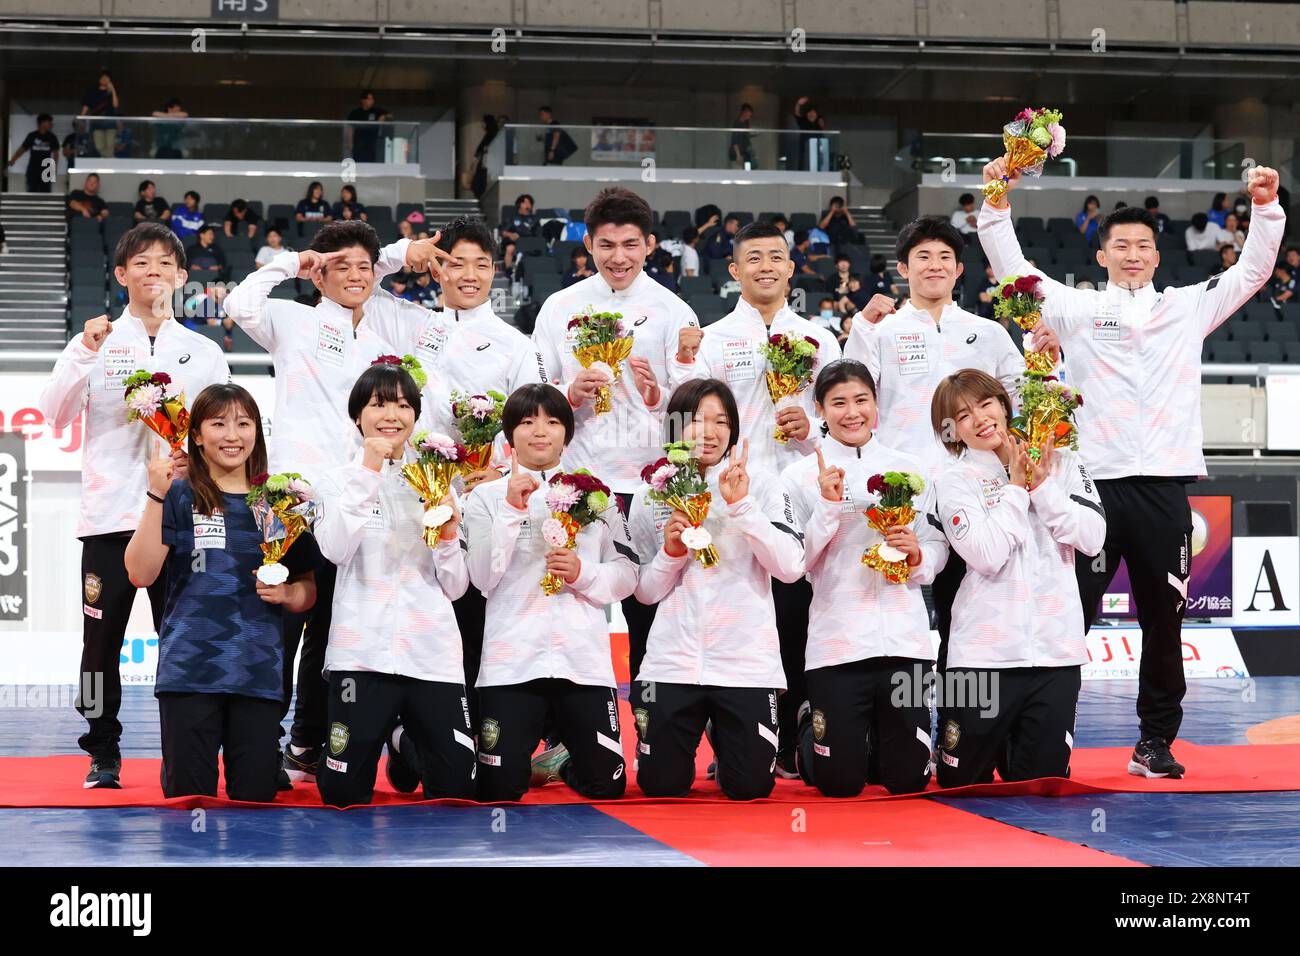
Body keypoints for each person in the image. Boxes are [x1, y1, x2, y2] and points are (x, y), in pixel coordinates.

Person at [978, 155, 1285, 778]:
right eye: (1121, 245)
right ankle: (1048, 737)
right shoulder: (1076, 310)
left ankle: (1154, 744)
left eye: (1143, 245)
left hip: (1164, 488)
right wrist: (995, 200)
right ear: (1102, 256)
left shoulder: (1188, 307)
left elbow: (1254, 270)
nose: (1133, 254)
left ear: (1157, 255)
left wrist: (1265, 207)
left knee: (1163, 622)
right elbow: (1015, 272)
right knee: (1069, 616)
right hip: (1088, 487)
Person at [222, 219, 447, 783]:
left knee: (332, 627)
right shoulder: (292, 320)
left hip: (359, 499)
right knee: (277, 623)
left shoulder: (389, 330)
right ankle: (260, 746)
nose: (353, 276)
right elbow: (237, 301)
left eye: (363, 267)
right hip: (292, 501)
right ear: (317, 272)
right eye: (338, 265)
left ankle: (311, 742)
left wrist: (390, 257)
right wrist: (292, 262)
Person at [38, 223, 231, 788]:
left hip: (182, 519)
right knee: (101, 644)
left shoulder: (203, 351)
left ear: (181, 276)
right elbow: (52, 413)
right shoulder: (96, 343)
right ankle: (102, 751)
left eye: (165, 263)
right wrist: (82, 350)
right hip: (109, 521)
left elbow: (224, 435)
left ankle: (186, 752)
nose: (154, 272)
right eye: (141, 263)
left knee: (187, 640)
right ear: (122, 275)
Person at [667, 219, 840, 774]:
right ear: (735, 271)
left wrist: (807, 431)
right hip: (727, 500)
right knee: (732, 614)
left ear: (792, 268)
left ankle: (785, 740)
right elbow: (690, 420)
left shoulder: (820, 339)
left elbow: (840, 423)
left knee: (795, 618)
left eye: (776, 257)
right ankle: (730, 739)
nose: (766, 267)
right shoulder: (714, 339)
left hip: (796, 494)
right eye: (754, 259)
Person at [532, 185, 700, 691]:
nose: (618, 257)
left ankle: (652, 728)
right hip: (577, 481)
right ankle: (567, 732)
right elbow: (535, 396)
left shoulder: (675, 311)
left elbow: (693, 409)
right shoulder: (559, 308)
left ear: (649, 245)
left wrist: (657, 396)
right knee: (569, 604)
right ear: (588, 245)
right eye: (606, 245)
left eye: (630, 245)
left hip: (651, 484)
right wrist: (569, 392)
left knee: (653, 614)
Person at [843, 214, 1023, 672]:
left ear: (960, 269)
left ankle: (957, 734)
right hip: (905, 494)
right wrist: (861, 330)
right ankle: (899, 730)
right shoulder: (882, 332)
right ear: (903, 268)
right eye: (923, 256)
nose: (935, 265)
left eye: (946, 257)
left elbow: (1019, 399)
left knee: (967, 613)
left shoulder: (989, 333)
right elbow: (851, 396)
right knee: (893, 608)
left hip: (975, 491)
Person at [125, 384, 319, 801]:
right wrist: (155, 495)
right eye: (219, 424)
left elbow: (308, 591)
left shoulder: (276, 504)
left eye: (243, 424)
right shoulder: (178, 495)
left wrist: (287, 595)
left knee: (254, 809)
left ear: (257, 433)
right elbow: (140, 573)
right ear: (196, 435)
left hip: (258, 678)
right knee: (188, 804)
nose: (233, 435)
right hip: (188, 677)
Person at [628, 380, 804, 799]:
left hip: (744, 664)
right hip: (673, 664)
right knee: (661, 786)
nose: (709, 431)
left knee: (750, 788)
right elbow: (645, 594)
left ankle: (728, 736)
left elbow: (790, 569)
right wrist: (670, 553)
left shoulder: (759, 484)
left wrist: (743, 507)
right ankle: (699, 725)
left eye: (720, 421)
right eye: (696, 420)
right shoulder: (649, 495)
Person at [313, 361, 477, 806]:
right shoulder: (335, 481)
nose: (391, 415)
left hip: (432, 656)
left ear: (416, 417)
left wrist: (446, 536)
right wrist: (369, 471)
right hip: (361, 655)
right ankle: (391, 735)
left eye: (403, 405)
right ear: (356, 416)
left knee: (458, 789)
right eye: (378, 404)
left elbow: (457, 585)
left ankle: (404, 742)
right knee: (343, 795)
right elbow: (335, 550)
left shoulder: (438, 482)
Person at [930, 370, 1104, 786]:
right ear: (951, 430)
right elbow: (987, 556)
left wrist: (1043, 487)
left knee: (1042, 787)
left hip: (1055, 655)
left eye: (986, 404)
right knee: (961, 786)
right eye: (963, 414)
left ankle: (1016, 746)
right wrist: (1016, 488)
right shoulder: (953, 480)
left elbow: (1093, 539)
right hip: (981, 661)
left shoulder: (1061, 461)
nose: (980, 418)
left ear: (1005, 405)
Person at [463, 384, 635, 801]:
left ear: (568, 432)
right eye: (527, 422)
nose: (540, 431)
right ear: (509, 434)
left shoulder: (599, 496)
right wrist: (511, 511)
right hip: (512, 665)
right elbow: (482, 578)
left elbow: (628, 574)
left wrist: (583, 573)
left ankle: (563, 759)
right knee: (498, 790)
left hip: (582, 663)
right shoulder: (484, 498)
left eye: (553, 421)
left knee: (607, 787)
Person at [784, 360, 947, 795]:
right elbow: (796, 561)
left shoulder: (911, 469)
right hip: (837, 644)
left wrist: (918, 557)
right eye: (838, 402)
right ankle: (808, 723)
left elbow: (937, 545)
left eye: (861, 400)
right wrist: (828, 505)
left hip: (904, 639)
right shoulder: (800, 476)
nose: (851, 412)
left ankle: (872, 740)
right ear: (819, 408)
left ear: (876, 404)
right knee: (839, 784)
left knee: (908, 781)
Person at [8, 113, 60, 193]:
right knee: (31, 191)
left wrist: (53, 169)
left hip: (46, 169)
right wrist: (13, 159)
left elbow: (56, 154)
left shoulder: (52, 137)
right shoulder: (32, 136)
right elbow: (22, 149)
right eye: (49, 122)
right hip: (33, 169)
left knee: (46, 192)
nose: (51, 124)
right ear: (42, 123)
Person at [79, 71, 119, 158]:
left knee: (110, 145)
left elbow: (115, 106)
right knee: (99, 146)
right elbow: (86, 106)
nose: (105, 80)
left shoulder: (112, 92)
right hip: (96, 122)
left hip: (110, 122)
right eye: (103, 78)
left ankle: (107, 163)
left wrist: (112, 90)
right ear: (99, 79)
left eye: (107, 79)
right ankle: (111, 160)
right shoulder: (92, 91)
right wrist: (81, 118)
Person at [500, 193, 538, 274]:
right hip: (514, 241)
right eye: (524, 202)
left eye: (529, 203)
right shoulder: (512, 217)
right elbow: (503, 232)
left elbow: (537, 234)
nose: (527, 205)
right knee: (510, 248)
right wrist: (511, 235)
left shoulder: (534, 219)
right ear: (519, 204)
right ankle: (508, 271)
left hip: (529, 242)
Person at [346, 91, 384, 164]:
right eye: (369, 99)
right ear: (363, 100)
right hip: (359, 143)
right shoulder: (355, 113)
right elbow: (350, 128)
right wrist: (350, 143)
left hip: (372, 143)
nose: (371, 101)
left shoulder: (377, 111)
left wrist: (382, 117)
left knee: (371, 163)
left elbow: (389, 115)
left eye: (372, 99)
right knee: (359, 163)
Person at [729, 103, 755, 168]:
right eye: (749, 113)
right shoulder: (737, 124)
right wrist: (738, 155)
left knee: (747, 171)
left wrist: (753, 134)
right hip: (737, 154)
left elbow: (745, 136)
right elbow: (734, 141)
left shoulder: (746, 123)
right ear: (744, 112)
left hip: (745, 153)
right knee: (737, 174)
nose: (750, 115)